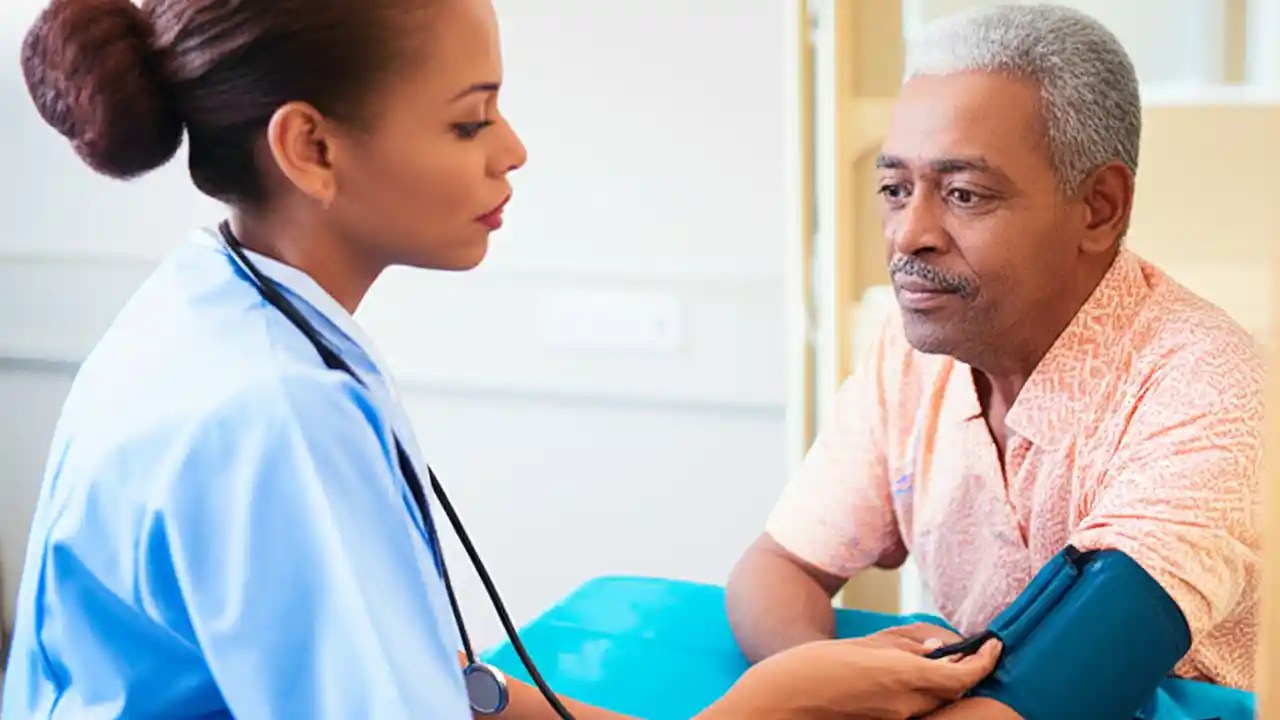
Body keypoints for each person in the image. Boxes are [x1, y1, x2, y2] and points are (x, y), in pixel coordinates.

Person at [1, 0, 1003, 718]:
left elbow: (427, 682)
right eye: (469, 119)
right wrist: (772, 709)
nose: (511, 148)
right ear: (309, 148)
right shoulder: (269, 413)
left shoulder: (213, 305)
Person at [726, 4, 1264, 718]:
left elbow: (1042, 697)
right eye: (895, 190)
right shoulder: (913, 352)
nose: (909, 236)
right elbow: (777, 568)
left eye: (963, 194)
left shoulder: (1211, 390)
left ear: (1099, 208)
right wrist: (820, 684)